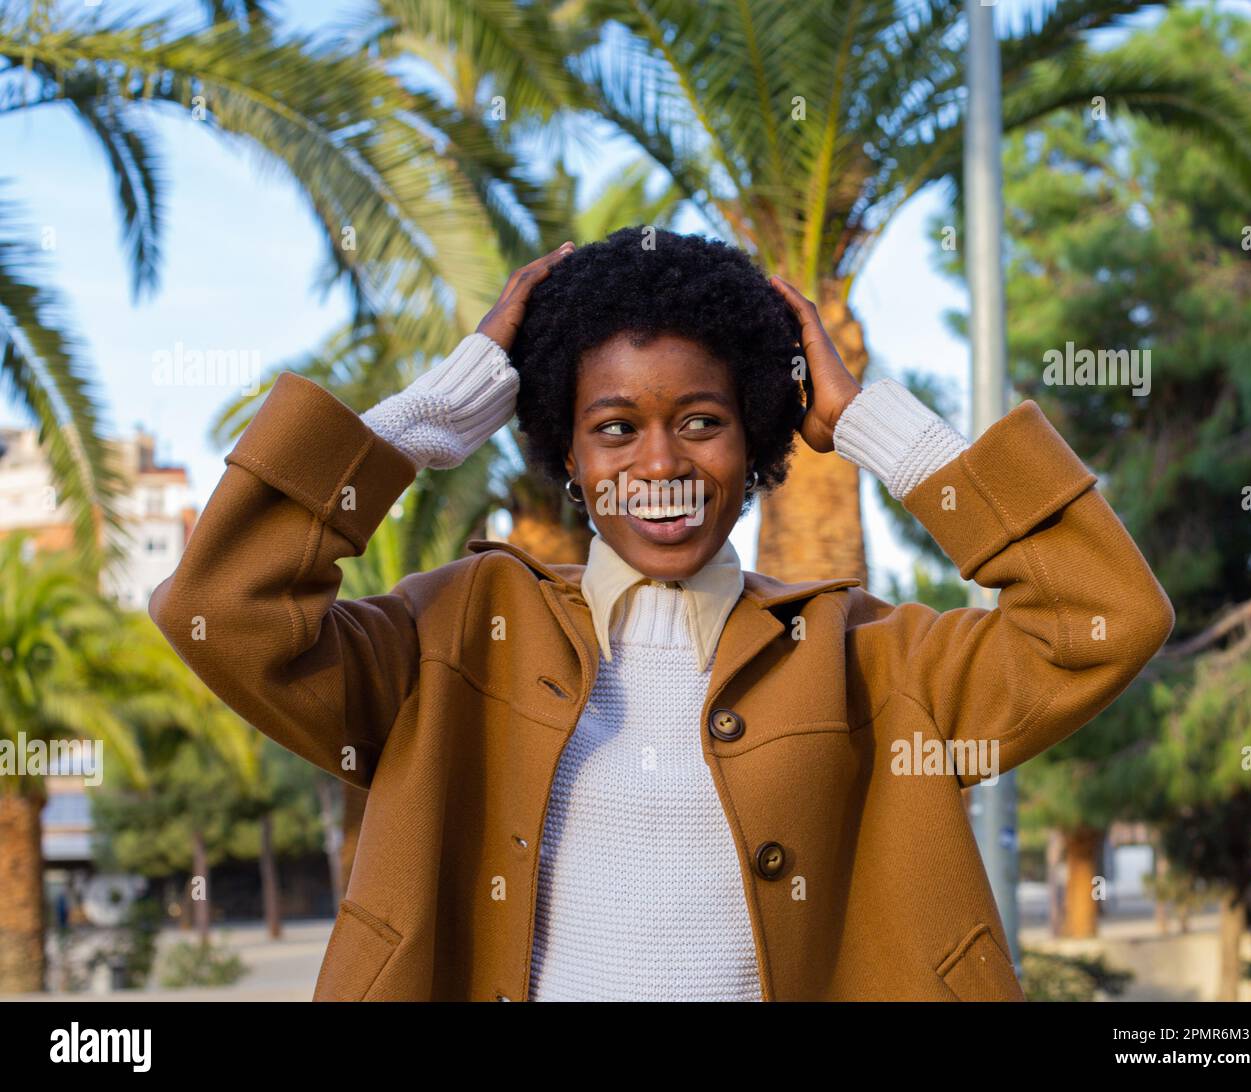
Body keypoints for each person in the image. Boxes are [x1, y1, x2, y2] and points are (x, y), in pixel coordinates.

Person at [150, 226, 1174, 1001]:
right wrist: (421, 424)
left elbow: (1104, 616)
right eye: (613, 427)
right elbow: (218, 605)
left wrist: (877, 428)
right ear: (566, 450)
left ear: (757, 439)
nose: (659, 463)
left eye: (701, 422)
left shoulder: (871, 659)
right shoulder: (453, 630)